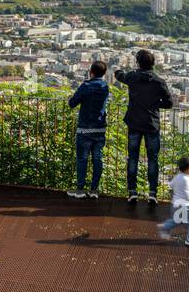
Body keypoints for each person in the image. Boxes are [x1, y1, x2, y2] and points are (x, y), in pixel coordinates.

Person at [114, 50, 174, 205]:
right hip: (151, 124)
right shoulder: (159, 81)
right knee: (152, 159)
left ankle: (132, 192)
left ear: (138, 63)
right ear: (153, 63)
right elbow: (169, 103)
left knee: (132, 158)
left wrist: (121, 69)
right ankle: (152, 193)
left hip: (134, 123)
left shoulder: (132, 77)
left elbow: (119, 75)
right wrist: (155, 104)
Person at [66, 62, 110, 199]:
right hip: (100, 128)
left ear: (91, 71)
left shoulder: (86, 86)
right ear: (104, 73)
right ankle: (94, 190)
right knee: (98, 159)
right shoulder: (105, 87)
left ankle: (80, 189)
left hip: (85, 128)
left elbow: (72, 103)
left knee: (82, 159)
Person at [156, 157, 189, 247]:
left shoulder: (178, 176)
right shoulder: (187, 180)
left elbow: (171, 185)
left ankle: (164, 227)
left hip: (175, 204)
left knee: (176, 220)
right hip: (185, 206)